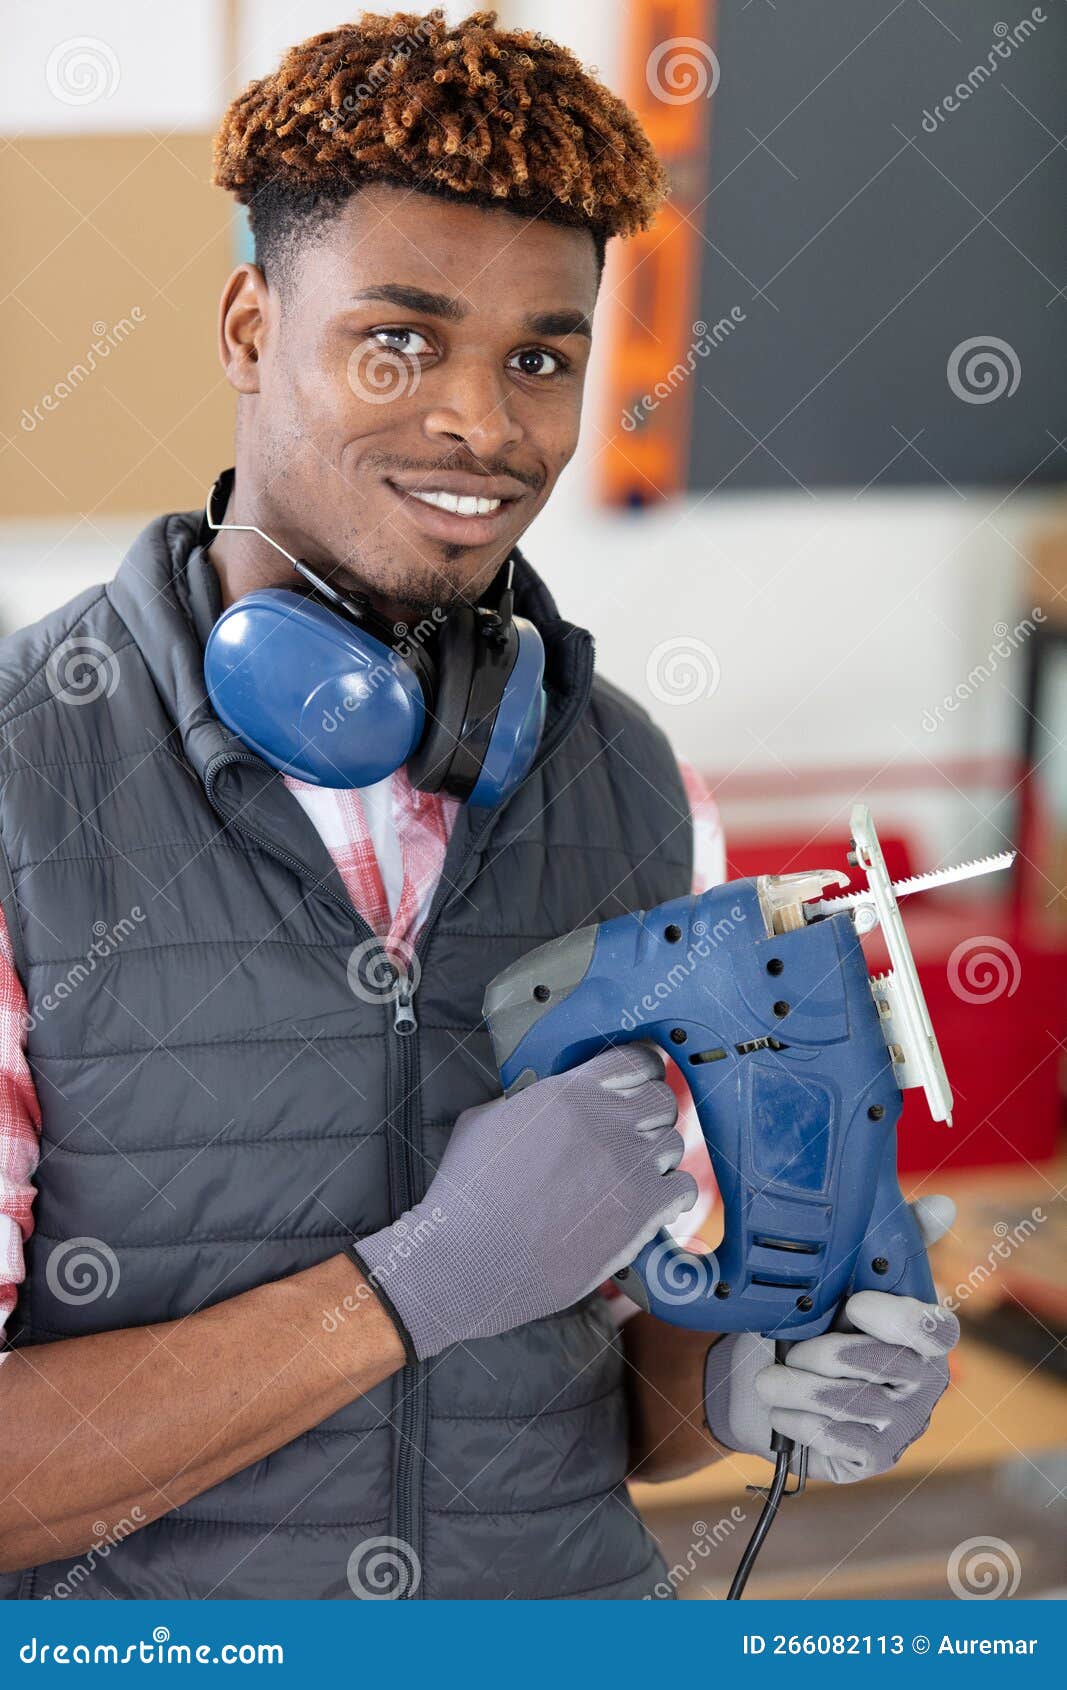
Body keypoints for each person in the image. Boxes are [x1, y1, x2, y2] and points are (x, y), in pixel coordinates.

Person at [0, 9, 957, 1600]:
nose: (482, 423)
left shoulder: (637, 778)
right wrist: (409, 1286)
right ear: (249, 328)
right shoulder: (25, 774)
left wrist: (731, 1383)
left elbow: (620, 1362)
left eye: (540, 356)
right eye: (398, 338)